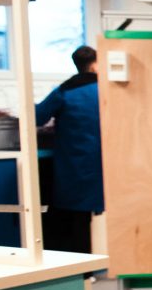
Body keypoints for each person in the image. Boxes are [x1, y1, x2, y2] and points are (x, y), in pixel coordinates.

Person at [35, 44, 103, 253]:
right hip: (106, 161)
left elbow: (38, 117)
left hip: (76, 163)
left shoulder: (65, 91)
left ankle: (83, 272)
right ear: (96, 64)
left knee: (77, 218)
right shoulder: (108, 88)